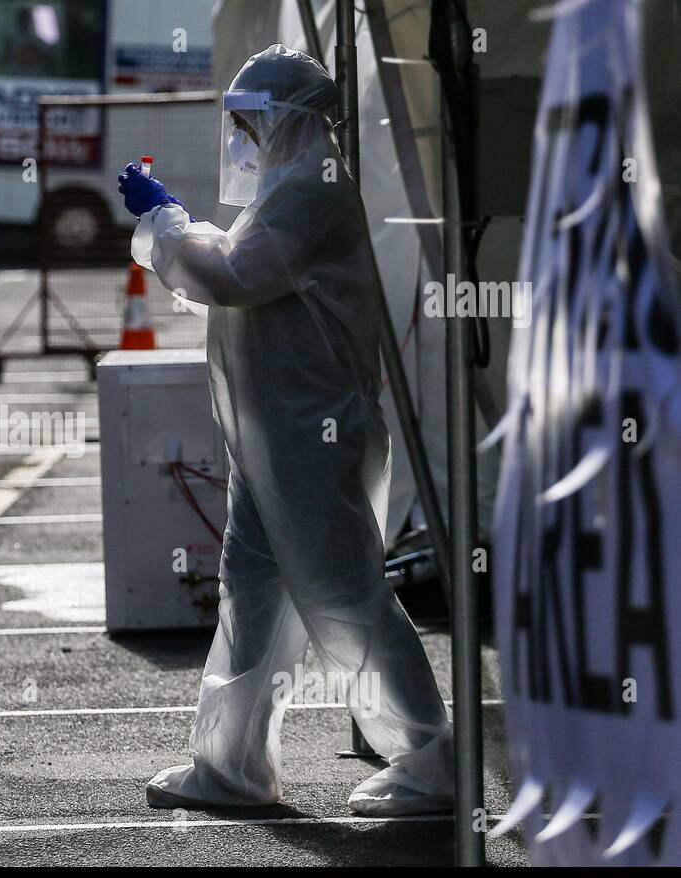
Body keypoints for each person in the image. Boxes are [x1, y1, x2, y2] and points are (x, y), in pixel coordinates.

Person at [117, 44, 454, 816]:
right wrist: (175, 226)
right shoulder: (288, 189)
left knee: (345, 598)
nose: (243, 136)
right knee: (253, 593)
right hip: (279, 440)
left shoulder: (311, 188)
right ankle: (232, 767)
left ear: (287, 119)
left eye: (251, 121)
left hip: (312, 437)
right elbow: (238, 272)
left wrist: (165, 219)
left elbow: (234, 278)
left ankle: (432, 761)